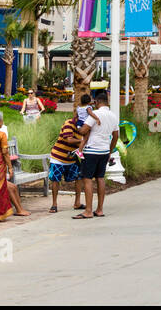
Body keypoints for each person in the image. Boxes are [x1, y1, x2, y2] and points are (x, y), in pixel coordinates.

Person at [74, 90, 117, 219]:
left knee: (87, 179)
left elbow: (83, 131)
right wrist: (110, 151)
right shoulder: (113, 116)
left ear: (97, 102)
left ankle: (88, 210)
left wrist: (77, 127)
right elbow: (115, 136)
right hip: (104, 151)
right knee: (100, 178)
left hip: (92, 150)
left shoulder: (95, 114)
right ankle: (99, 209)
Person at [47, 114, 85, 213]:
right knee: (55, 179)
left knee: (79, 177)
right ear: (76, 117)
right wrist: (82, 142)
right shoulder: (68, 124)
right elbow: (69, 139)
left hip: (72, 158)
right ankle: (54, 204)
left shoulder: (84, 126)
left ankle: (77, 203)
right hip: (58, 157)